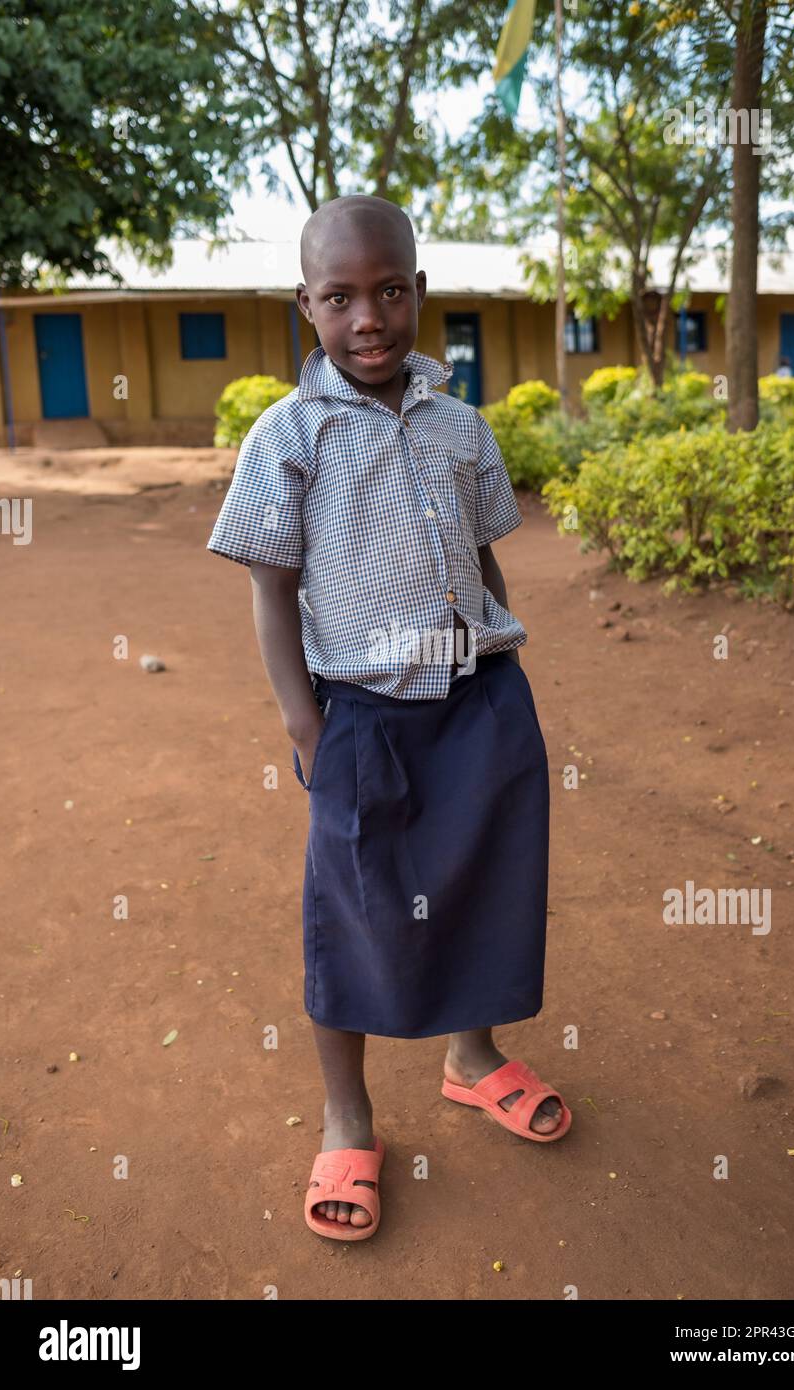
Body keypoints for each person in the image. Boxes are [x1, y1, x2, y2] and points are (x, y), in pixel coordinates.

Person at [206, 194, 570, 1242]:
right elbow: (270, 590)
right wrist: (306, 726)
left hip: (482, 702)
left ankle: (471, 1056)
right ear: (304, 306)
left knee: (487, 881)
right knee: (353, 909)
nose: (368, 316)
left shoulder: (462, 425)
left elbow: (485, 549)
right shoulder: (287, 437)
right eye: (340, 297)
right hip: (361, 713)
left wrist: (497, 642)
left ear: (418, 289)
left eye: (389, 289)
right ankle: (347, 1114)